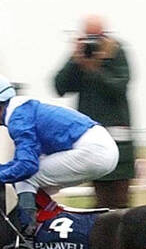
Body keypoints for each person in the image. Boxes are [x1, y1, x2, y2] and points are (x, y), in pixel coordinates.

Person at [0, 71, 119, 249]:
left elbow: (27, 167)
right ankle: (47, 225)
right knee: (29, 178)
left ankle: (27, 237)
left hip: (94, 151)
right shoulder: (21, 112)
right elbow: (20, 162)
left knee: (27, 177)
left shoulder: (18, 119)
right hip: (100, 149)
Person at [53, 15, 135, 209]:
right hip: (91, 140)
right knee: (99, 204)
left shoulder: (116, 52)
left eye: (97, 37)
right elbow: (59, 87)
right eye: (88, 37)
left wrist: (96, 68)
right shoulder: (79, 58)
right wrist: (75, 60)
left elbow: (119, 88)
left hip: (119, 145)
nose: (92, 43)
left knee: (118, 204)